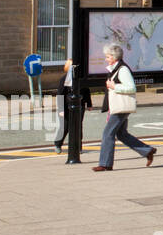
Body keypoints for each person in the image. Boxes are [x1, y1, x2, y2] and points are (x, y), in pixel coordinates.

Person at [93, 44, 156, 172]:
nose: (106, 59)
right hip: (118, 107)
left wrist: (114, 86)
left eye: (108, 56)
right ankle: (147, 151)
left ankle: (105, 164)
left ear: (114, 57)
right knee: (121, 134)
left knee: (107, 133)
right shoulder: (115, 69)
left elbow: (131, 87)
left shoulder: (122, 70)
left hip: (121, 107)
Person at [53, 57, 91, 154]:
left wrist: (89, 103)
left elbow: (86, 90)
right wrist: (61, 109)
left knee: (78, 126)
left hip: (80, 105)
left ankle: (78, 147)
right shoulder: (64, 79)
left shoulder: (81, 78)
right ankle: (58, 143)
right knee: (65, 127)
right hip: (66, 106)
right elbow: (60, 94)